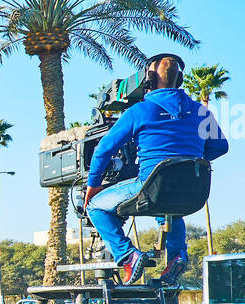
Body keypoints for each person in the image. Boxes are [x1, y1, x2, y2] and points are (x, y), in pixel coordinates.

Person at [83, 53, 228, 285]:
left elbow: (102, 150)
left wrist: (94, 184)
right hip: (190, 193)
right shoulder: (201, 111)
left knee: (94, 207)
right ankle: (178, 255)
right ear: (179, 79)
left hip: (149, 186)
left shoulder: (140, 111)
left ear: (149, 79)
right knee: (170, 202)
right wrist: (190, 161)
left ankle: (127, 255)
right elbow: (221, 146)